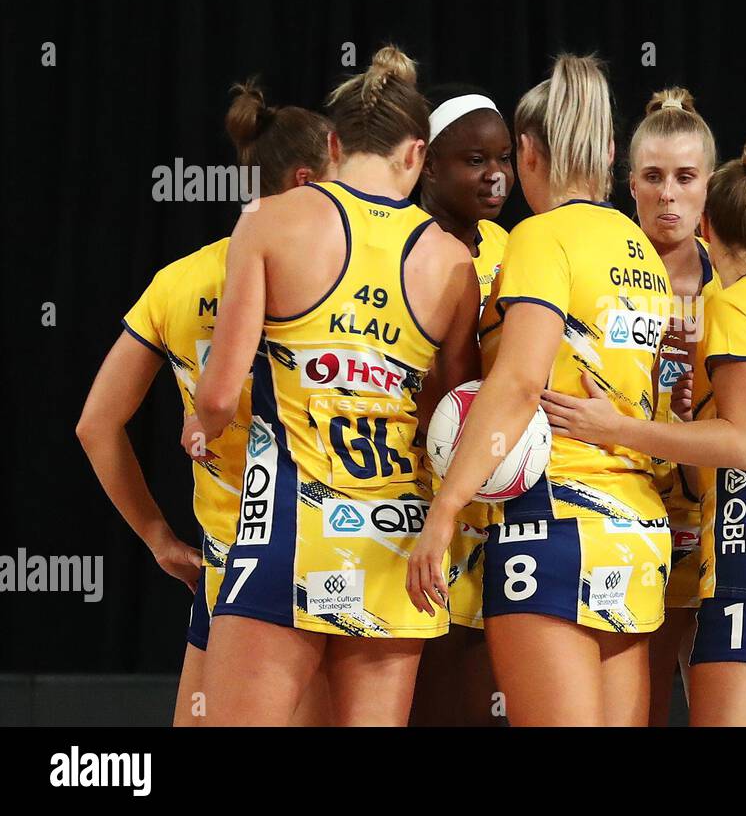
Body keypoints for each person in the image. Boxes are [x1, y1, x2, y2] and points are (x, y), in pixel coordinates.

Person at [187, 46, 481, 726]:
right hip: (394, 541)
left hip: (284, 532)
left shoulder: (270, 221)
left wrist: (203, 422)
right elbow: (454, 415)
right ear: (417, 155)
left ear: (332, 142)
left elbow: (221, 394)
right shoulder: (453, 261)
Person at [543, 134, 746, 726]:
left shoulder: (732, 306)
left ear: (707, 230)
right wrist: (691, 420)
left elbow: (744, 444)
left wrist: (620, 428)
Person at [406, 54, 673, 727]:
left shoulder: (539, 236)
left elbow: (519, 382)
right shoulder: (641, 249)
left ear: (528, 151)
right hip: (635, 530)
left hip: (550, 524)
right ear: (610, 152)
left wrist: (446, 507)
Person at [76, 81, 336, 726]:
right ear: (306, 181)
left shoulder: (179, 280)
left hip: (229, 564)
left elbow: (95, 425)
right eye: (340, 184)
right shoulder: (343, 282)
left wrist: (159, 539)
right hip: (327, 558)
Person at [409, 84, 514, 728]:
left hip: (491, 502)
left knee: (479, 690)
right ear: (427, 164)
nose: (495, 174)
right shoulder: (404, 245)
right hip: (414, 494)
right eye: (474, 160)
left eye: (502, 157)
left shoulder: (511, 248)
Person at [626, 86, 720, 725]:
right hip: (626, 516)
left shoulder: (738, 283)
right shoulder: (595, 268)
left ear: (709, 184)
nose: (668, 194)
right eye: (653, 177)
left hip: (720, 526)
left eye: (685, 177)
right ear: (628, 183)